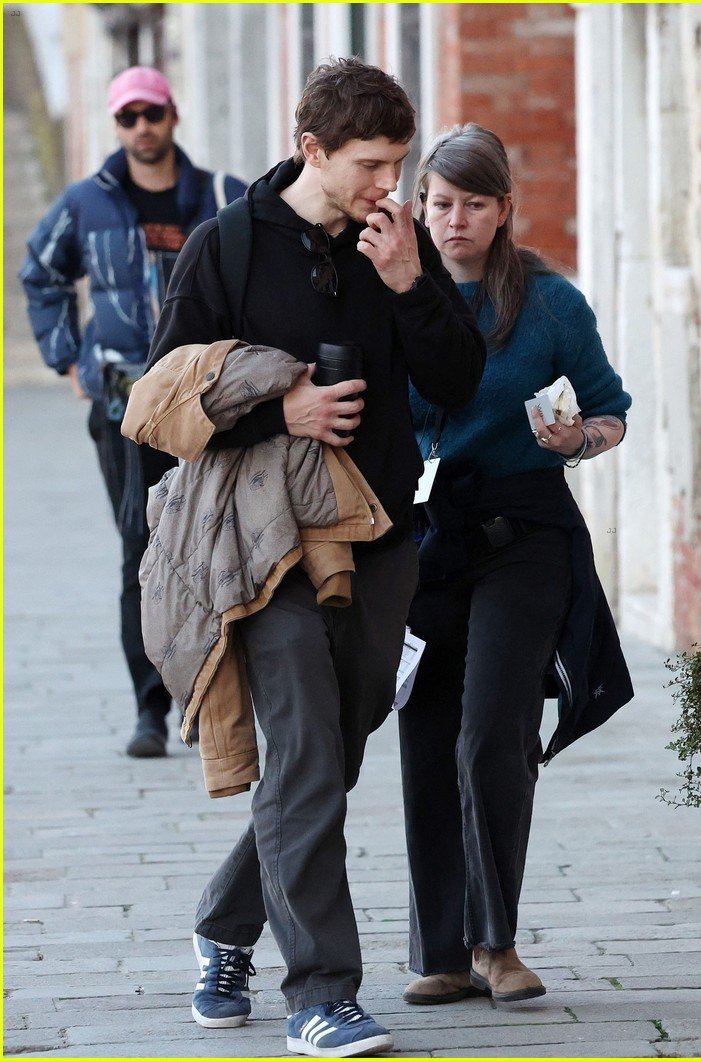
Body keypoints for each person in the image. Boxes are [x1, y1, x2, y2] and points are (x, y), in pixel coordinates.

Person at [144, 60, 486, 1057]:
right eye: (371, 164)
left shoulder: (396, 244)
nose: (390, 183)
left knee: (332, 748)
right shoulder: (227, 246)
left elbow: (457, 380)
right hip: (260, 544)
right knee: (300, 750)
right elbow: (168, 396)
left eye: (398, 163)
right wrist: (279, 406)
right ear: (313, 151)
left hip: (376, 537)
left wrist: (409, 285)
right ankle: (321, 992)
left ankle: (222, 916)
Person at [399, 123, 633, 1008]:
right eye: (440, 202)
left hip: (527, 532)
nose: (455, 220)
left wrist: (581, 438)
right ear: (420, 207)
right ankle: (442, 952)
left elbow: (610, 411)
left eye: (474, 204)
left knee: (492, 729)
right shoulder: (397, 296)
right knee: (426, 735)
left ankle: (497, 943)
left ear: (503, 211)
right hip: (423, 537)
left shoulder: (550, 303)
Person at [20, 66, 246, 758]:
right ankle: (150, 709)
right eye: (128, 117)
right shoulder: (86, 201)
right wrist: (67, 360)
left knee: (216, 545)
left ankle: (214, 697)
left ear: (174, 114)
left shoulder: (220, 197)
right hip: (123, 401)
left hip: (206, 395)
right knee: (139, 547)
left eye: (152, 112)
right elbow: (42, 272)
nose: (142, 126)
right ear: (117, 126)